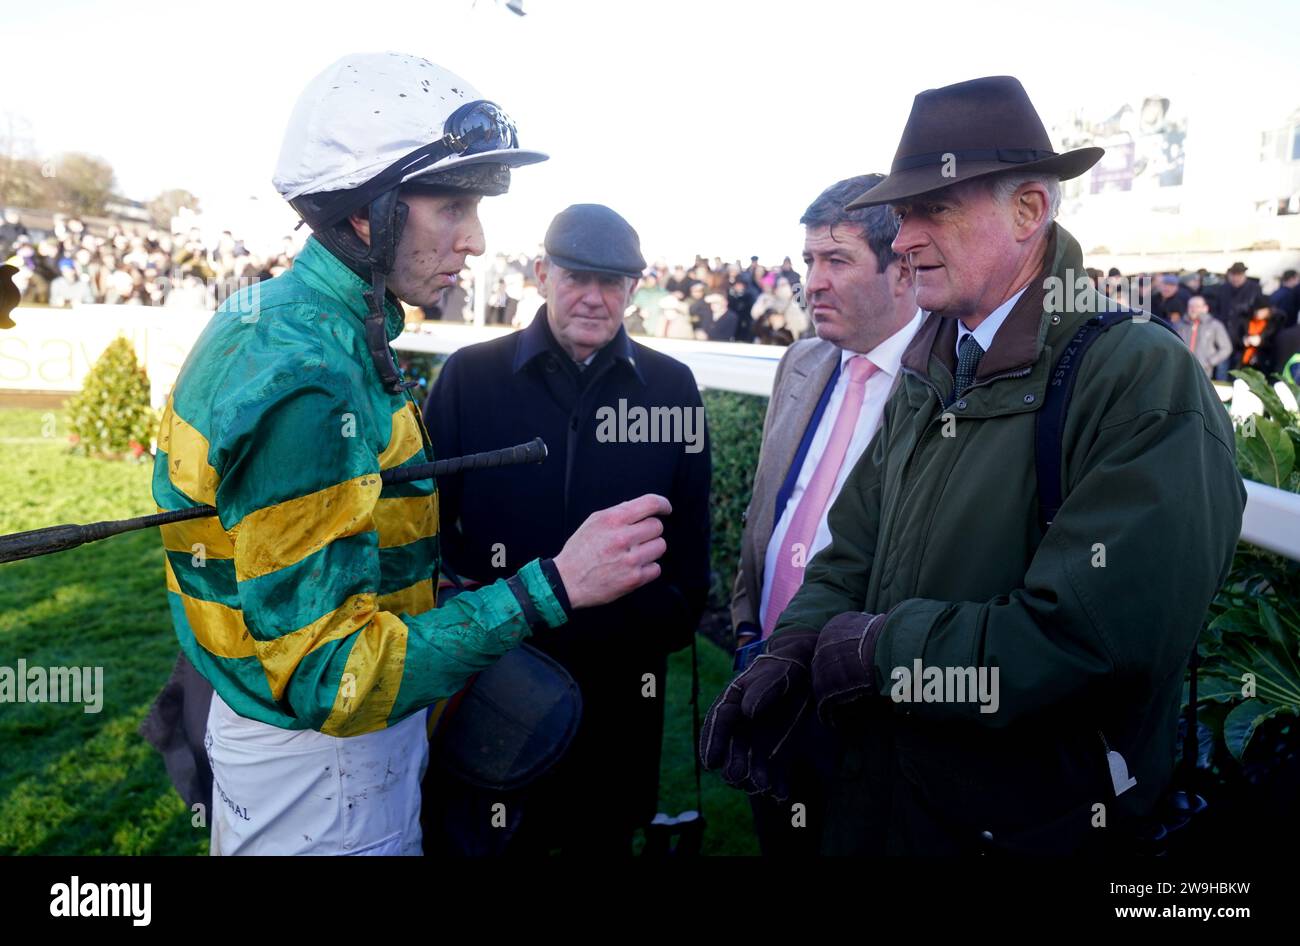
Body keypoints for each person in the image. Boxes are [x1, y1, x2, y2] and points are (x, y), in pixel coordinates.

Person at [701, 75, 1245, 855]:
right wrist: (795, 649)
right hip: (886, 808)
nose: (906, 236)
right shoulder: (938, 359)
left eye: (935, 209)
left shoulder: (1135, 376)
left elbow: (1097, 643)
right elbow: (852, 544)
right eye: (903, 213)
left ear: (1030, 211)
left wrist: (878, 652)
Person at [151, 53, 671, 856]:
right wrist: (551, 588)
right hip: (326, 775)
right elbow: (335, 676)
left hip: (299, 755)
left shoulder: (288, 318)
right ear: (368, 213)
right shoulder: (310, 378)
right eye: (454, 206)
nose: (475, 240)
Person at [424, 203, 711, 854]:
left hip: (618, 706)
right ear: (540, 273)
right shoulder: (471, 376)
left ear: (634, 290)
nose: (592, 296)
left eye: (612, 282)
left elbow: (691, 559)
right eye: (576, 275)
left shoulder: (673, 388)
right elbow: (422, 539)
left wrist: (640, 624)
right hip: (490, 692)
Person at [730, 173, 922, 855]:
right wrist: (747, 632)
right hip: (766, 675)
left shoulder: (946, 384)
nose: (811, 281)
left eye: (835, 260)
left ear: (902, 270)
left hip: (863, 705)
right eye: (808, 260)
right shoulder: (804, 361)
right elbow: (767, 511)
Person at [1210, 262, 1262, 368]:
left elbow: (1258, 312)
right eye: (1233, 275)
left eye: (1239, 275)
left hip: (1244, 335)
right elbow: (1217, 310)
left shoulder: (1254, 289)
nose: (1235, 278)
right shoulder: (1223, 289)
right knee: (1222, 368)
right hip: (1224, 334)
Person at [1181, 294, 1234, 378]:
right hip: (1181, 368)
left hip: (1204, 372)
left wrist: (1209, 362)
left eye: (1197, 306)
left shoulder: (1215, 325)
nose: (1193, 309)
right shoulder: (1180, 325)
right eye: (1191, 306)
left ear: (1205, 308)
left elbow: (1226, 348)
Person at [1239, 298, 1281, 374]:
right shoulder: (1246, 321)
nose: (1259, 313)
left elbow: (1275, 343)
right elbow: (1236, 337)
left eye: (1263, 311)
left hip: (1262, 362)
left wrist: (1261, 342)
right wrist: (1243, 341)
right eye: (1258, 310)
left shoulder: (1273, 324)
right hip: (1244, 360)